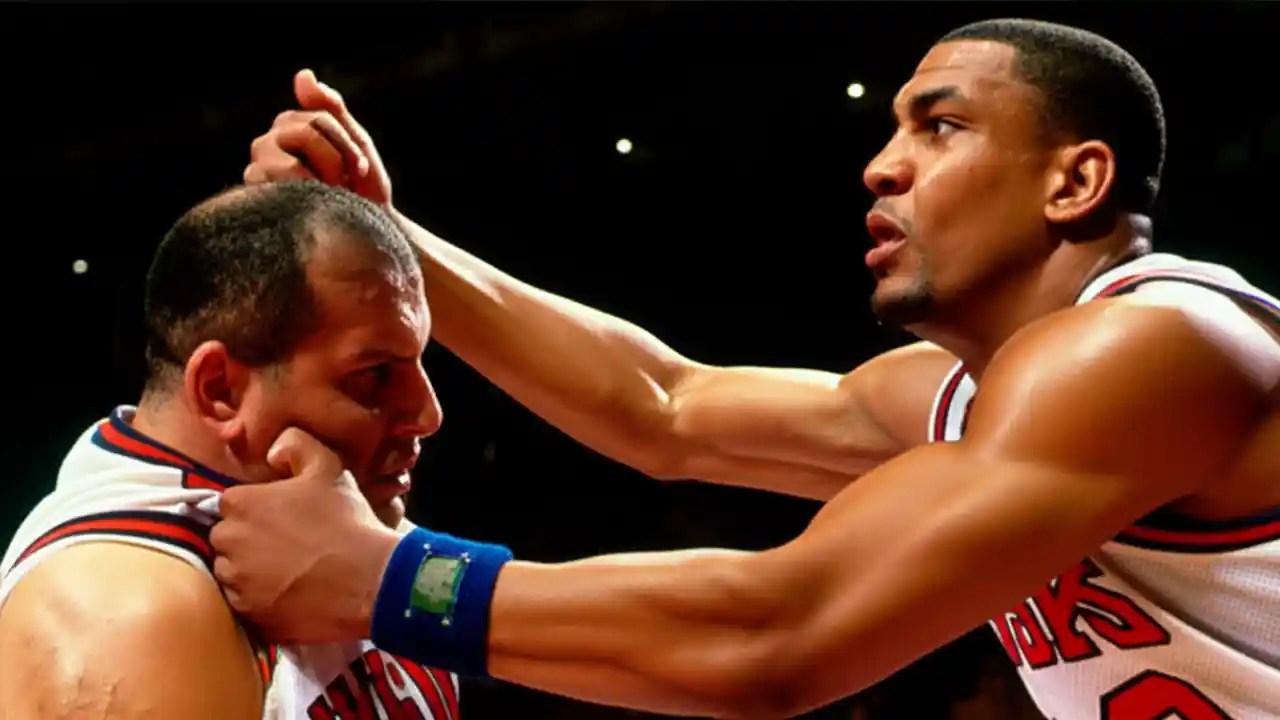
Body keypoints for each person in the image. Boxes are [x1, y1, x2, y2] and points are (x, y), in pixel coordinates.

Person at [219, 18, 1280, 719]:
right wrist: (392, 237)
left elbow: (781, 635)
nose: (882, 165)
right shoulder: (971, 395)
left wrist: (392, 579)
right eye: (894, 131)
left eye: (941, 126)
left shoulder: (1153, 346)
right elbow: (663, 408)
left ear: (1074, 182)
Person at [0, 180, 463, 719]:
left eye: (417, 362)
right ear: (220, 390)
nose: (428, 414)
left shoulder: (344, 518)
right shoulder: (129, 613)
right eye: (374, 375)